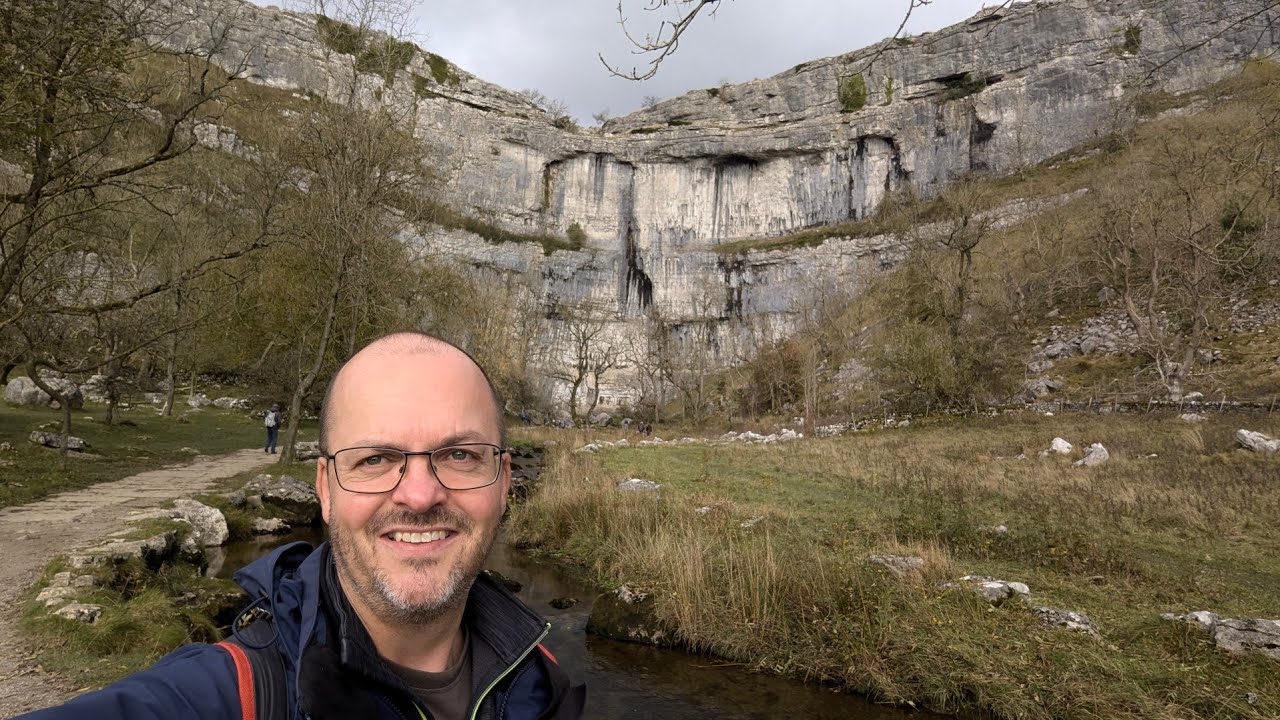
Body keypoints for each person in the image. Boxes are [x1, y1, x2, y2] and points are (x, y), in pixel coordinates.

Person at [17, 332, 586, 720]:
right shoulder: (233, 693)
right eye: (375, 458)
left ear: (504, 479)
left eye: (461, 455)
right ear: (324, 489)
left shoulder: (541, 679)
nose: (419, 494)